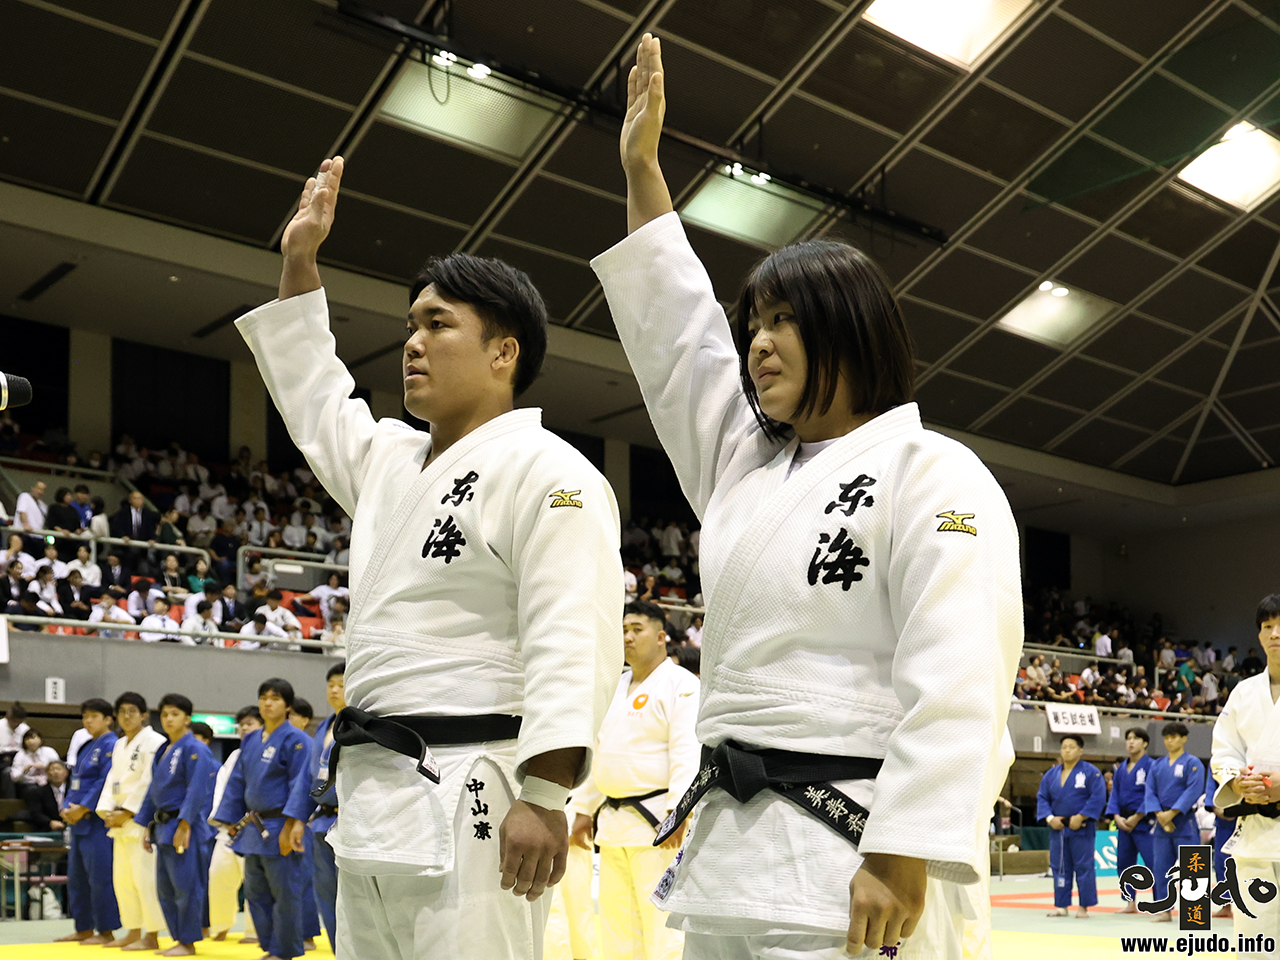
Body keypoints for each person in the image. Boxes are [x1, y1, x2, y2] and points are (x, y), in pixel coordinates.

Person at [591, 34, 1022, 959]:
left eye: (784, 320)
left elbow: (962, 674)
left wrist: (904, 844)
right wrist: (642, 175)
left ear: (850, 330)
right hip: (732, 850)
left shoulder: (933, 472)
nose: (757, 343)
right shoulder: (745, 467)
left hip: (857, 850)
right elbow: (678, 342)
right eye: (755, 323)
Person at [234, 150, 623, 960]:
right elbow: (315, 399)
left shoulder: (551, 472)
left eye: (438, 325)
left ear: (503, 353)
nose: (412, 342)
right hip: (373, 785)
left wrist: (546, 794)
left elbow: (573, 637)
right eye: (411, 325)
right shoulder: (389, 460)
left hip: (478, 782)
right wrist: (300, 263)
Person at [567, 601, 700, 960]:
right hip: (614, 824)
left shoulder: (682, 684)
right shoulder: (615, 686)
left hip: (659, 824)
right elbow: (601, 751)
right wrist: (583, 808)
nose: (627, 637)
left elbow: (687, 750)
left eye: (637, 629)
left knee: (661, 924)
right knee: (616, 925)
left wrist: (678, 812)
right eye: (624, 630)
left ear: (660, 636)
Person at [212, 678, 314, 960]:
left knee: (285, 892)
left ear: (288, 705)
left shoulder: (297, 740)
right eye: (264, 697)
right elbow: (237, 780)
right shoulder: (251, 740)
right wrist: (229, 817)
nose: (268, 703)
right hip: (254, 827)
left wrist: (293, 824)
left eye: (275, 698)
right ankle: (270, 947)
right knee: (256, 892)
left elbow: (301, 784)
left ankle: (285, 950)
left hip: (282, 824)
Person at [1208, 593, 1280, 955]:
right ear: (1259, 635)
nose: (1275, 634)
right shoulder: (1243, 692)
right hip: (1254, 835)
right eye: (1268, 626)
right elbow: (1224, 751)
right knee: (1254, 944)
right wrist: (1237, 780)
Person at [135, 693, 218, 957]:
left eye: (175, 714)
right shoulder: (163, 750)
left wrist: (185, 823)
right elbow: (153, 791)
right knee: (166, 889)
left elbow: (197, 789)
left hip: (185, 827)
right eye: (164, 714)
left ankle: (188, 941)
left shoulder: (196, 748)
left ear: (187, 718)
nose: (169, 719)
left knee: (186, 887)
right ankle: (178, 938)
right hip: (163, 826)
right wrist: (146, 825)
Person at [96, 692, 167, 951]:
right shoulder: (118, 744)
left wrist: (127, 811)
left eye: (132, 711)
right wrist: (106, 811)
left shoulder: (155, 741)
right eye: (122, 712)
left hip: (140, 819)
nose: (127, 716)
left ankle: (152, 934)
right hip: (118, 820)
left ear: (144, 715)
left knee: (144, 879)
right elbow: (111, 779)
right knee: (123, 880)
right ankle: (133, 930)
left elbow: (150, 780)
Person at [55, 697, 121, 944]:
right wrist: (65, 807)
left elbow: (105, 781)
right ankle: (83, 928)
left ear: (108, 719)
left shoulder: (112, 745)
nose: (88, 721)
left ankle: (106, 931)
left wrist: (83, 808)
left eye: (93, 716)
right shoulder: (86, 746)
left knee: (100, 878)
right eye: (85, 717)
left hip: (97, 822)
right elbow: (75, 782)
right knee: (77, 878)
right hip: (78, 823)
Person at [208, 706, 262, 944]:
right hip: (228, 830)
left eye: (250, 723)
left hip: (255, 828)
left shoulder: (265, 754)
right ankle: (221, 926)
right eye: (242, 725)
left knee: (254, 881)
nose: (244, 728)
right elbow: (221, 790)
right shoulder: (234, 756)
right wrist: (224, 818)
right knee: (218, 876)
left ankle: (254, 930)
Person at [1143, 722, 1206, 922]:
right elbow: (1150, 791)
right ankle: (1164, 909)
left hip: (1184, 820)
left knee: (1192, 868)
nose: (1170, 741)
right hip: (1161, 822)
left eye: (1174, 737)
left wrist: (1172, 813)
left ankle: (1194, 912)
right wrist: (1160, 814)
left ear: (1184, 739)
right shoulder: (1157, 765)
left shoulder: (1193, 763)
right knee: (1161, 867)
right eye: (1167, 737)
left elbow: (1193, 790)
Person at [1036, 735, 1104, 918]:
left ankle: (1084, 906)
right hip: (1058, 828)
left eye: (1071, 747)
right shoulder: (1051, 774)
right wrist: (1050, 818)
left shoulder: (1091, 772)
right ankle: (1061, 905)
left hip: (1081, 828)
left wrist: (1081, 816)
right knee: (1059, 867)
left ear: (1080, 751)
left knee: (1084, 867)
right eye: (1064, 747)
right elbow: (1042, 797)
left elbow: (1097, 797)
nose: (1067, 750)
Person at [309, 663, 344, 949]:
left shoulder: (359, 723)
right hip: (320, 819)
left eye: (341, 685)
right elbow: (306, 779)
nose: (334, 690)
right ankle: (336, 952)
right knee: (326, 893)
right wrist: (296, 819)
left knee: (350, 896)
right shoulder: (323, 726)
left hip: (347, 819)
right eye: (330, 684)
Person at [1107, 727, 1156, 913]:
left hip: (1145, 822)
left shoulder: (1151, 766)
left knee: (1153, 863)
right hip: (1124, 823)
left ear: (1145, 743)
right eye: (1128, 738)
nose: (1131, 742)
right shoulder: (1121, 769)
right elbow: (1114, 794)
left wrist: (1138, 816)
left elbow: (1152, 794)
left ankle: (1161, 902)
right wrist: (1116, 816)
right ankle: (1130, 902)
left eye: (1135, 738)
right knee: (1124, 863)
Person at [10, 727, 60, 799]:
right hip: (28, 784)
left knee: (50, 790)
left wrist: (46, 768)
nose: (30, 741)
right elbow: (14, 777)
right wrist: (24, 770)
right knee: (34, 791)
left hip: (48, 782)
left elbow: (59, 768)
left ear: (40, 739)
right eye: (27, 739)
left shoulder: (49, 751)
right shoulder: (20, 755)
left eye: (33, 738)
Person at [28, 758, 70, 830]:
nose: (56, 772)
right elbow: (36, 813)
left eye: (59, 769)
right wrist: (50, 822)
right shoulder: (38, 792)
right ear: (47, 773)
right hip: (48, 829)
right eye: (52, 769)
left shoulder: (73, 791)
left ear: (66, 772)